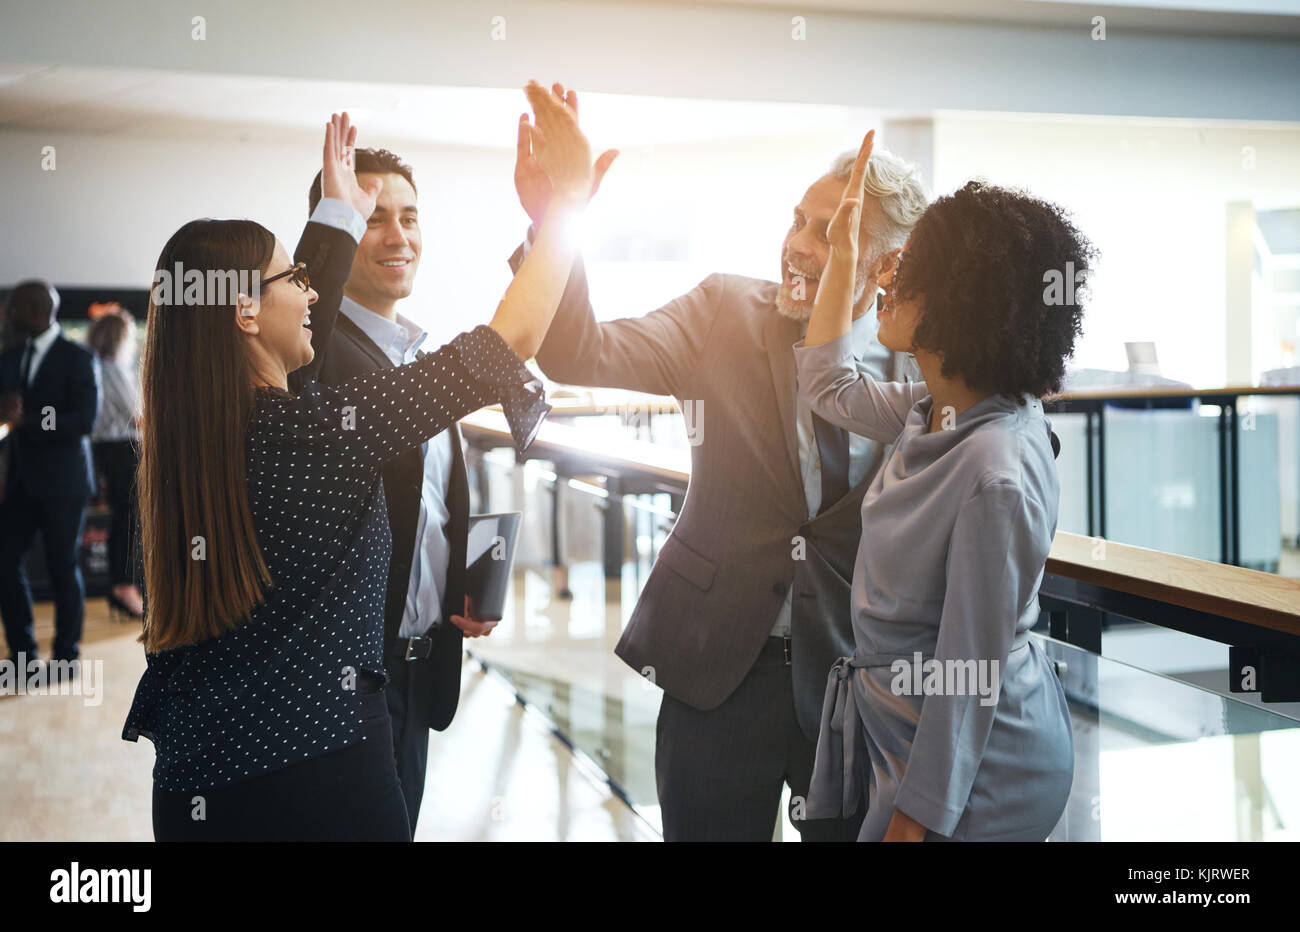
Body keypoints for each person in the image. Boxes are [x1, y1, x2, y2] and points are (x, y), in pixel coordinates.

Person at [123, 85, 596, 841]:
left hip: (196, 788)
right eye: (294, 280)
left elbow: (297, 349)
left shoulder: (184, 450)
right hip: (326, 778)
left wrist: (338, 216)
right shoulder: (322, 435)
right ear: (246, 311)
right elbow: (510, 340)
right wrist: (565, 209)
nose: (312, 292)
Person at [511, 84, 927, 841]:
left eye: (829, 233)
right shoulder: (723, 311)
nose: (799, 244)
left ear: (888, 263)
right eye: (797, 220)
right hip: (717, 665)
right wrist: (553, 222)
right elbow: (577, 350)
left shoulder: (922, 369)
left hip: (851, 681)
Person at [797, 132, 1084, 841]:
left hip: (981, 771)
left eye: (912, 269)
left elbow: (969, 677)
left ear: (962, 302)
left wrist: (914, 822)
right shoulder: (934, 409)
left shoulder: (995, 469)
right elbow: (827, 382)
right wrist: (842, 254)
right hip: (907, 737)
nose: (888, 278)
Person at [298, 147, 493, 831]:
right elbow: (306, 326)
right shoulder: (314, 356)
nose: (398, 237)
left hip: (420, 666)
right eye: (373, 219)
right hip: (348, 678)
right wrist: (331, 217)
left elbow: (430, 504)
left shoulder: (416, 349)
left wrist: (465, 585)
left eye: (409, 218)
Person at [0, 280, 100, 680]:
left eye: (13, 307)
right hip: (22, 481)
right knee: (4, 561)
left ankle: (65, 658)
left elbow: (83, 421)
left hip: (64, 483)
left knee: (62, 566)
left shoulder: (78, 357)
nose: (7, 314)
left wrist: (32, 416)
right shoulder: (9, 356)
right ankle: (23, 656)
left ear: (35, 309)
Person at [86, 309, 144, 622]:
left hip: (111, 451)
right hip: (123, 451)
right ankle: (123, 588)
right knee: (128, 520)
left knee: (125, 518)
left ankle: (123, 588)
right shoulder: (113, 370)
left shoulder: (96, 367)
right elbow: (138, 417)